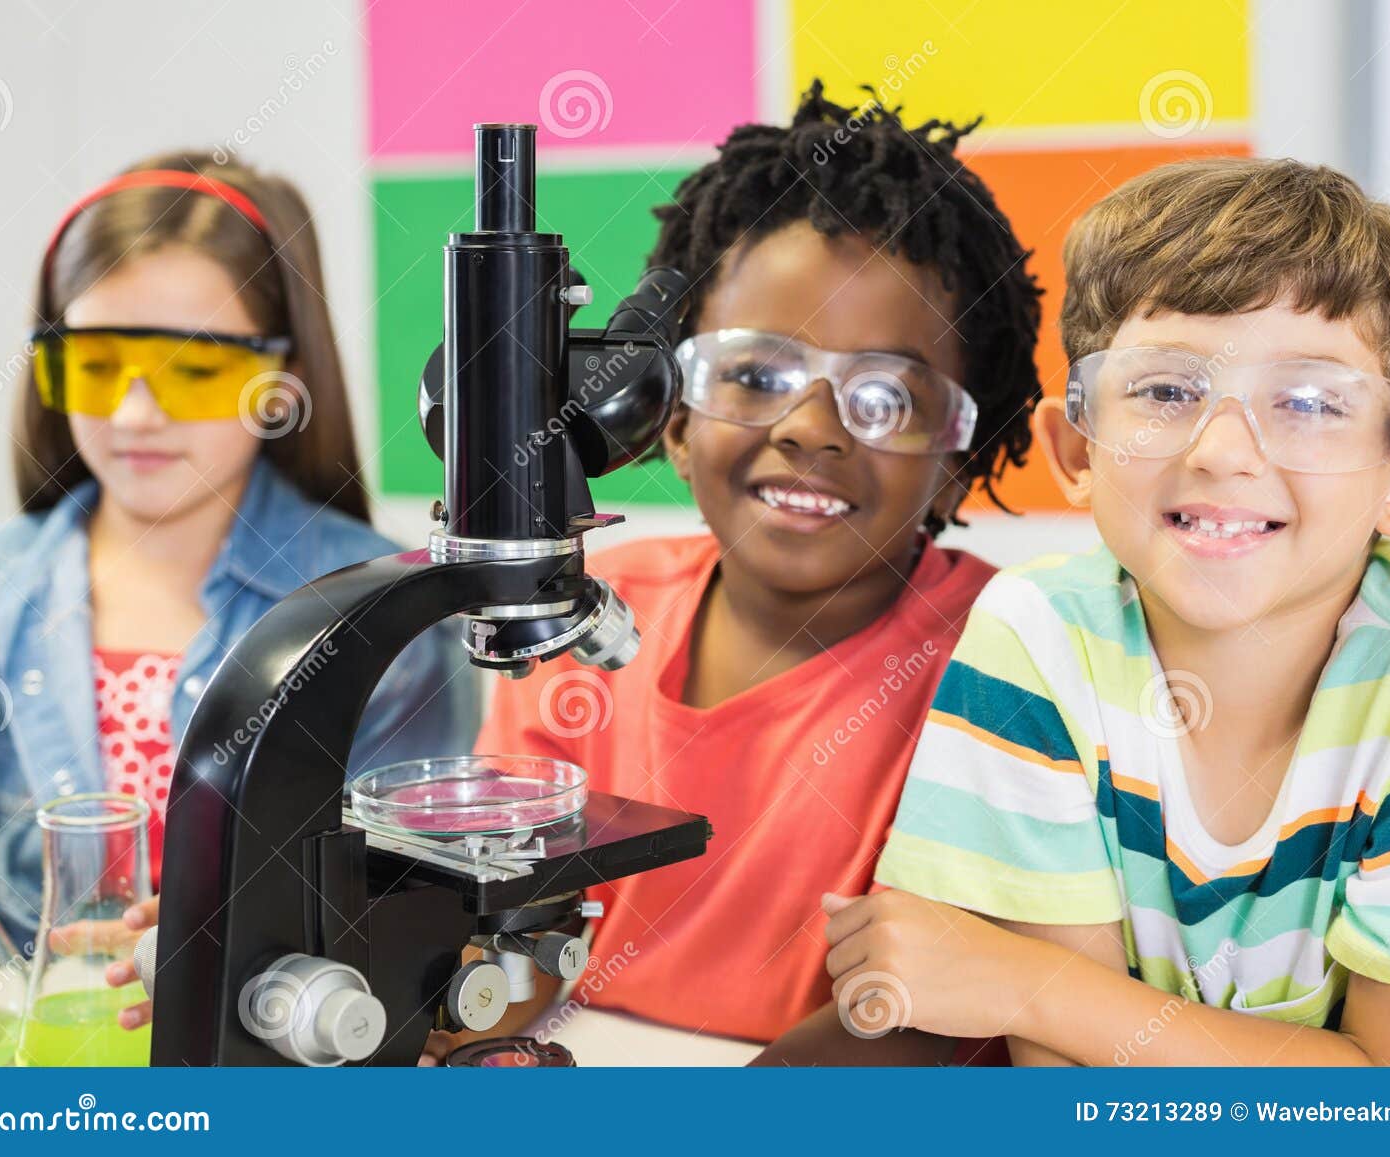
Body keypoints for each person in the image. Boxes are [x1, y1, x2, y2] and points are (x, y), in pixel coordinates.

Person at [827, 157, 1390, 1066]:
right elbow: (1062, 1078)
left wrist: (1026, 984)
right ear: (1076, 450)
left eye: (1311, 401)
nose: (1224, 451)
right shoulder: (1037, 633)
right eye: (1165, 391)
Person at [425, 82, 1041, 1063]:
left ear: (956, 459)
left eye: (886, 396)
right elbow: (504, 956)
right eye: (755, 376)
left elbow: (931, 1013)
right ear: (666, 412)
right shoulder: (574, 616)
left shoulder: (1006, 660)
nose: (808, 428)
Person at [0, 152, 480, 1041]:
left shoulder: (385, 618)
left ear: (278, 378)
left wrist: (212, 945)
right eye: (99, 364)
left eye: (191, 368)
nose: (138, 414)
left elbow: (413, 919)